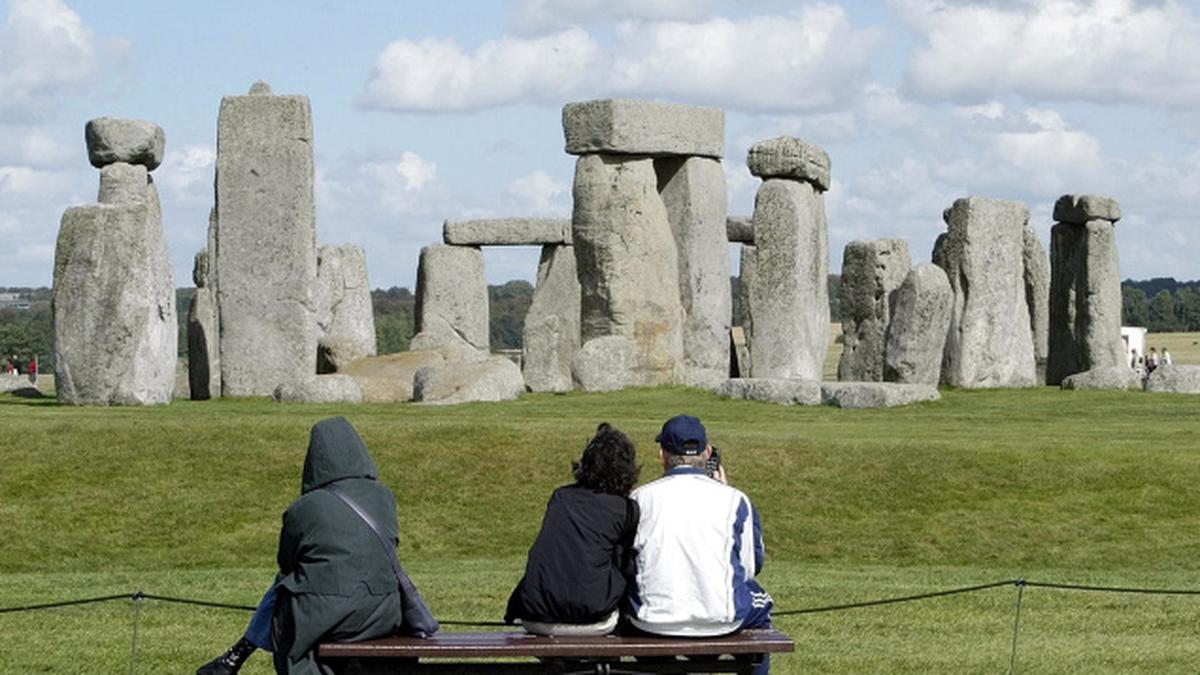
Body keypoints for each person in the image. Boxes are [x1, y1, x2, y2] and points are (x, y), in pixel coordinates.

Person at [198, 417, 431, 674]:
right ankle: (237, 653)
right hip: (382, 614)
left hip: (324, 617)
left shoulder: (303, 508)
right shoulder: (385, 498)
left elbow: (286, 563)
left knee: (283, 584)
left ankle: (239, 652)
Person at [626, 415, 773, 674]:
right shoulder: (735, 500)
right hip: (721, 619)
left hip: (651, 619)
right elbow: (751, 567)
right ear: (707, 452)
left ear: (662, 454)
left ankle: (667, 669)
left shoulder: (639, 499)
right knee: (762, 605)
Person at [504, 423, 640, 635]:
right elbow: (626, 564)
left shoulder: (561, 497)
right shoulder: (625, 509)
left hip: (535, 614)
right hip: (593, 618)